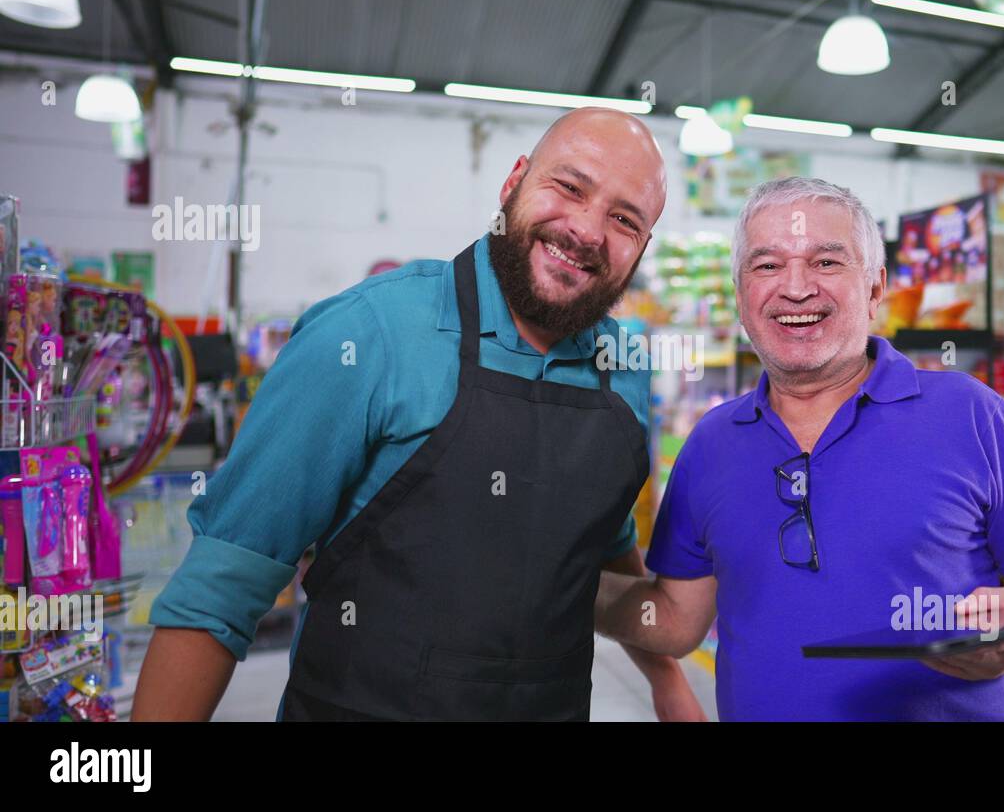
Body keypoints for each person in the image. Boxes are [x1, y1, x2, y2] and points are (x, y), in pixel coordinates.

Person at [134, 107, 706, 722]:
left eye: (625, 220)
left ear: (643, 247)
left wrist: (667, 682)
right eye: (570, 186)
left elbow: (602, 542)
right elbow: (218, 594)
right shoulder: (368, 334)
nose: (588, 230)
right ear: (513, 182)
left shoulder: (624, 368)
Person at [596, 176, 1004, 721]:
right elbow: (674, 620)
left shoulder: (969, 413)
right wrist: (550, 583)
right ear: (741, 296)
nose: (795, 287)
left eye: (826, 262)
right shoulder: (710, 444)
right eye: (767, 265)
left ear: (874, 288)